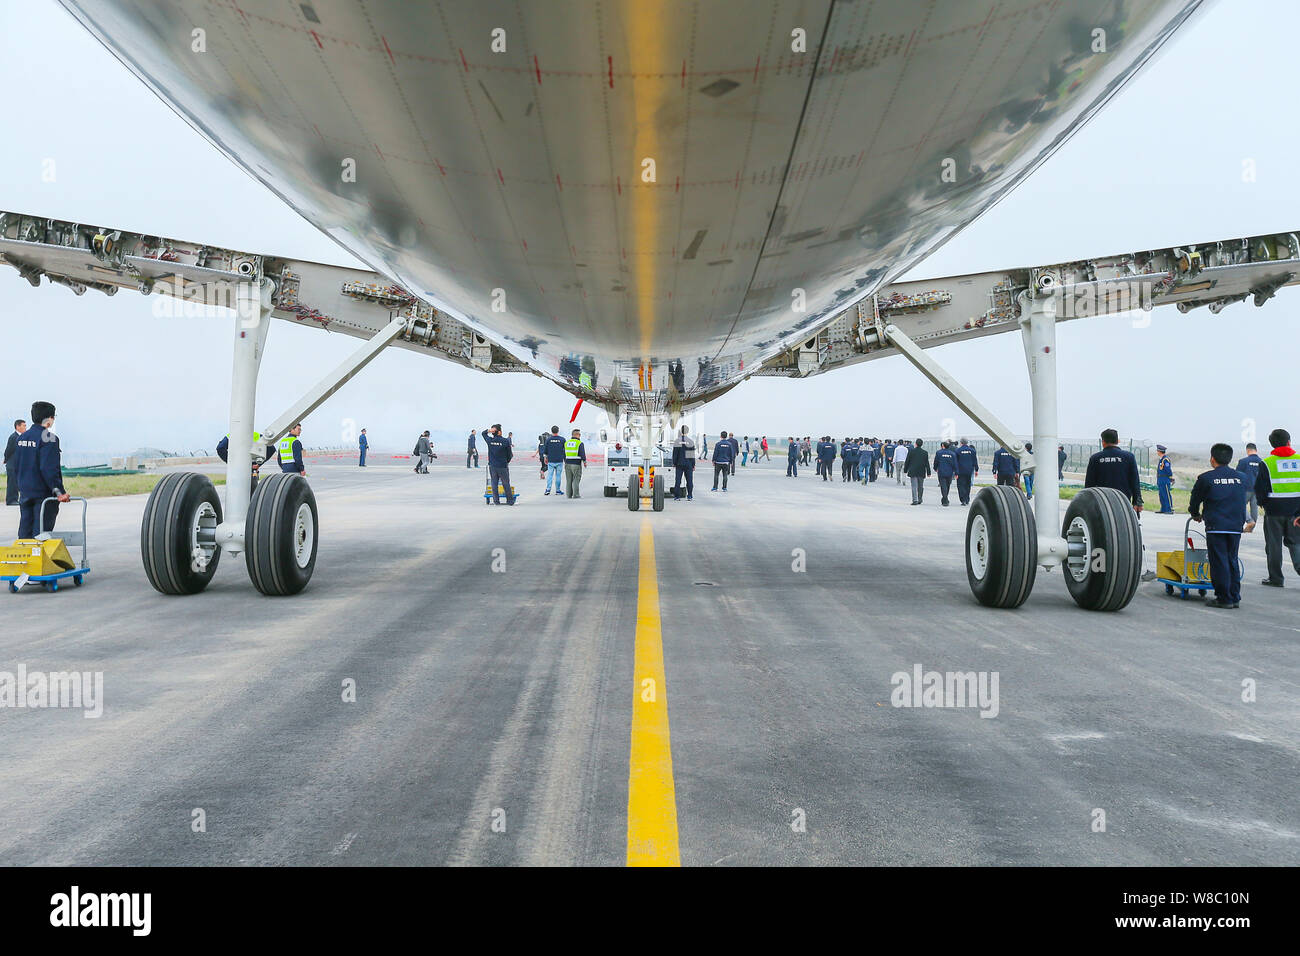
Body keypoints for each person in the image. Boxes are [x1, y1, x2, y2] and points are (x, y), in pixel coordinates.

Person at [1189, 443, 1248, 609]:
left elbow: (1195, 499)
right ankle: (1234, 596)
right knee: (1232, 559)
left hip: (1217, 525)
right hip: (1235, 525)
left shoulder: (1206, 478)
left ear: (1212, 459)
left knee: (1219, 561)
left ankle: (1224, 598)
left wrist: (1195, 514)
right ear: (1229, 459)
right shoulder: (1242, 478)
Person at [14, 401, 69, 539]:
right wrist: (59, 492)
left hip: (25, 492)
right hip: (43, 494)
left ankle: (25, 560)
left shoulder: (21, 438)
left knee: (25, 534)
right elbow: (48, 468)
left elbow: (17, 464)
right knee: (41, 535)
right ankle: (37, 559)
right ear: (49, 419)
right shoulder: (49, 438)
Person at [1254, 427, 1300, 587]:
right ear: (1289, 442)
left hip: (1274, 511)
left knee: (1274, 545)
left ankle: (1276, 578)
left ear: (1272, 445)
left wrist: (1263, 504)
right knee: (1296, 543)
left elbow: (1260, 489)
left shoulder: (1266, 463)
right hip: (1296, 512)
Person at [1084, 428, 1142, 511]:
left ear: (1103, 442)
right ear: (1118, 441)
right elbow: (1134, 481)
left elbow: (1089, 483)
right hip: (1123, 501)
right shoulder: (1129, 457)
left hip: (1102, 501)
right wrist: (1137, 501)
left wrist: (1088, 502)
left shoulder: (1095, 458)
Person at [481, 424, 515, 504]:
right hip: (502, 465)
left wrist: (489, 430)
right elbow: (509, 454)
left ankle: (496, 501)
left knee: (494, 483)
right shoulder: (505, 441)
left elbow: (483, 433)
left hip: (492, 465)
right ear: (499, 432)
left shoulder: (490, 441)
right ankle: (510, 501)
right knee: (506, 483)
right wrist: (506, 462)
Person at [1236, 442, 1264, 527]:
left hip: (1245, 488)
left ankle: (1249, 520)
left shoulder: (1243, 461)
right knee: (1254, 508)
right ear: (1256, 450)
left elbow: (1237, 475)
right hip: (1257, 489)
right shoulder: (1262, 462)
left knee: (1240, 505)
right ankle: (1251, 527)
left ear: (1247, 450)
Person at [4, 418, 25, 506]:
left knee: (16, 483)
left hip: (17, 464)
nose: (25, 428)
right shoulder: (13, 437)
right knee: (12, 483)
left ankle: (15, 499)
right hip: (12, 464)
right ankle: (11, 500)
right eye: (23, 426)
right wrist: (6, 459)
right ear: (18, 426)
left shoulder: (22, 437)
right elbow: (8, 450)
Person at [904, 438, 930, 505]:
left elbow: (907, 461)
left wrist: (905, 470)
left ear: (915, 444)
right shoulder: (925, 452)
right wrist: (929, 472)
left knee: (914, 486)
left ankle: (915, 500)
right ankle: (920, 499)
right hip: (921, 471)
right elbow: (927, 463)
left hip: (913, 471)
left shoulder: (911, 451)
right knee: (920, 486)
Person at [672, 425, 696, 499]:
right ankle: (689, 495)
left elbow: (675, 454)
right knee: (689, 480)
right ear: (687, 431)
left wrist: (674, 463)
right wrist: (693, 464)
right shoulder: (690, 441)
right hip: (688, 464)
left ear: (681, 431)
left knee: (678, 480)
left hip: (679, 463)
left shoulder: (677, 441)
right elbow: (691, 455)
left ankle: (677, 496)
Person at [542, 425, 566, 496]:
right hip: (559, 460)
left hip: (551, 460)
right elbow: (565, 451)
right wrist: (565, 460)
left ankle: (548, 490)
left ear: (551, 431)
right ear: (558, 431)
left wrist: (545, 458)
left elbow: (545, 450)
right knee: (558, 476)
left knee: (550, 475)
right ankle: (558, 491)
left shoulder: (548, 440)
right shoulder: (562, 439)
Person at [933, 440, 958, 506]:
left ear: (943, 446)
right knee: (947, 485)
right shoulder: (952, 454)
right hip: (950, 472)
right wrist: (956, 473)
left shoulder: (939, 453)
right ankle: (945, 498)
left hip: (941, 472)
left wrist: (935, 468)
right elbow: (955, 464)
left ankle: (945, 499)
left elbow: (936, 462)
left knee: (943, 486)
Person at [955, 438, 979, 506]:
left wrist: (955, 471)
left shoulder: (958, 451)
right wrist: (976, 470)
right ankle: (967, 499)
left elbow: (956, 462)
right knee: (968, 485)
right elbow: (975, 461)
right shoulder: (972, 451)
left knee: (960, 485)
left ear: (961, 443)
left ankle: (963, 500)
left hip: (960, 470)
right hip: (969, 470)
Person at [564, 428, 586, 498]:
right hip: (576, 464)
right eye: (579, 434)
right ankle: (576, 495)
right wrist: (584, 461)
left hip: (567, 464)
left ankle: (569, 495)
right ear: (577, 435)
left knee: (569, 480)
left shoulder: (566, 443)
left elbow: (563, 454)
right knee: (576, 479)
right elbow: (582, 453)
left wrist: (566, 461)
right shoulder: (579, 443)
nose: (580, 436)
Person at [1155, 444, 1174, 513]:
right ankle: (1163, 509)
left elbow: (1168, 470)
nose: (1157, 452)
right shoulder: (1161, 459)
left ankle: (1169, 509)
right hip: (1160, 479)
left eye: (1157, 451)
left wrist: (1170, 477)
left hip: (1165, 479)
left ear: (1160, 451)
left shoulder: (1165, 459)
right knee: (1161, 495)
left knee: (1166, 494)